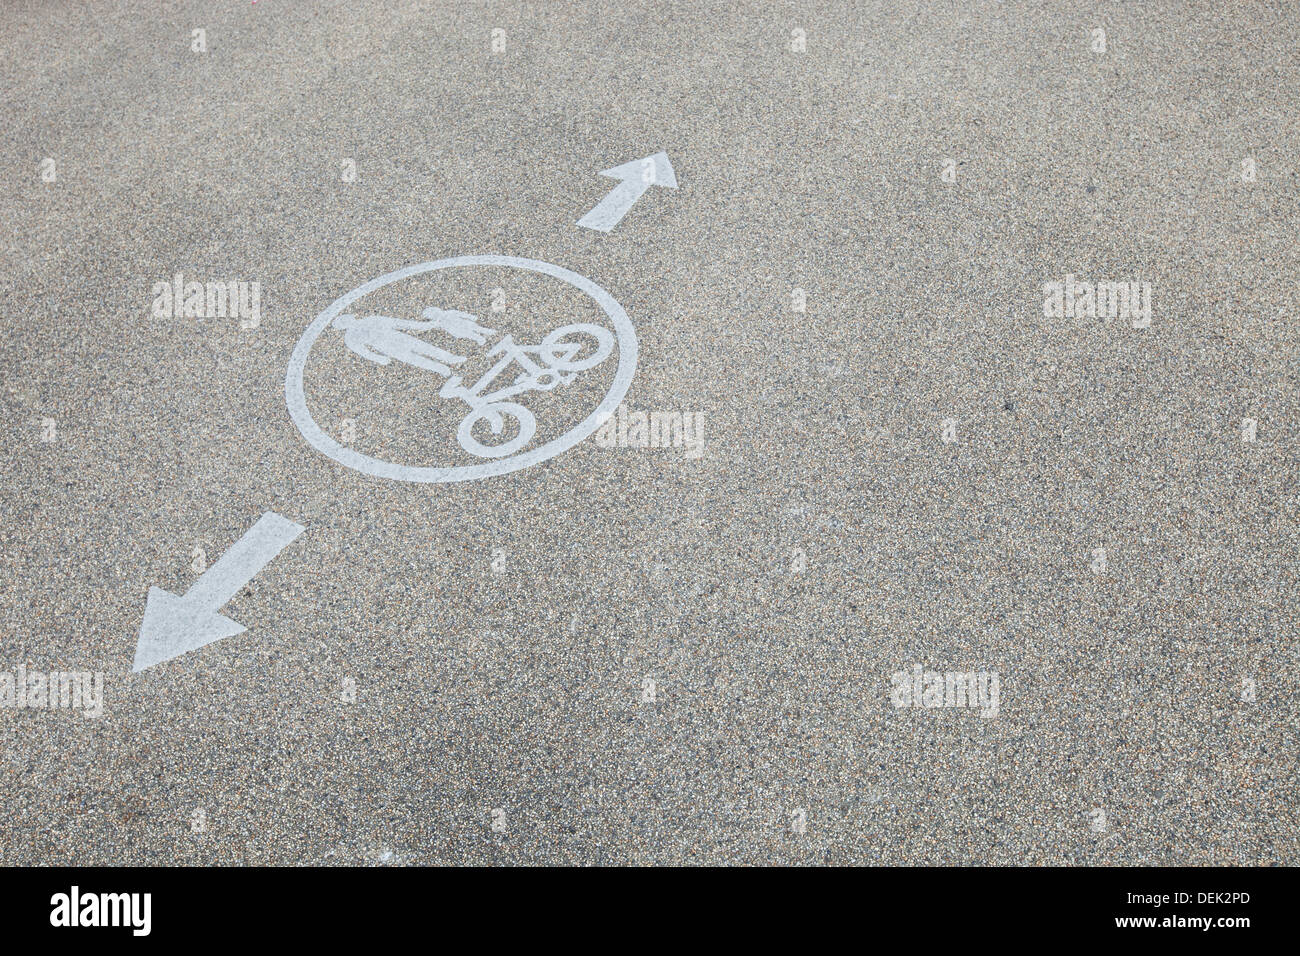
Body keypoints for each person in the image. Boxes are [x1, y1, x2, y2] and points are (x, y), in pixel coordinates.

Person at [331, 313, 467, 376]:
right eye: (342, 323)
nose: (346, 322)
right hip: (385, 346)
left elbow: (398, 323)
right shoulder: (350, 337)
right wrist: (378, 358)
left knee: (425, 348)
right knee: (414, 359)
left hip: (396, 336)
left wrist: (424, 326)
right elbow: (363, 351)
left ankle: (450, 358)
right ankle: (440, 368)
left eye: (345, 319)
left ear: (351, 316)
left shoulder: (371, 319)